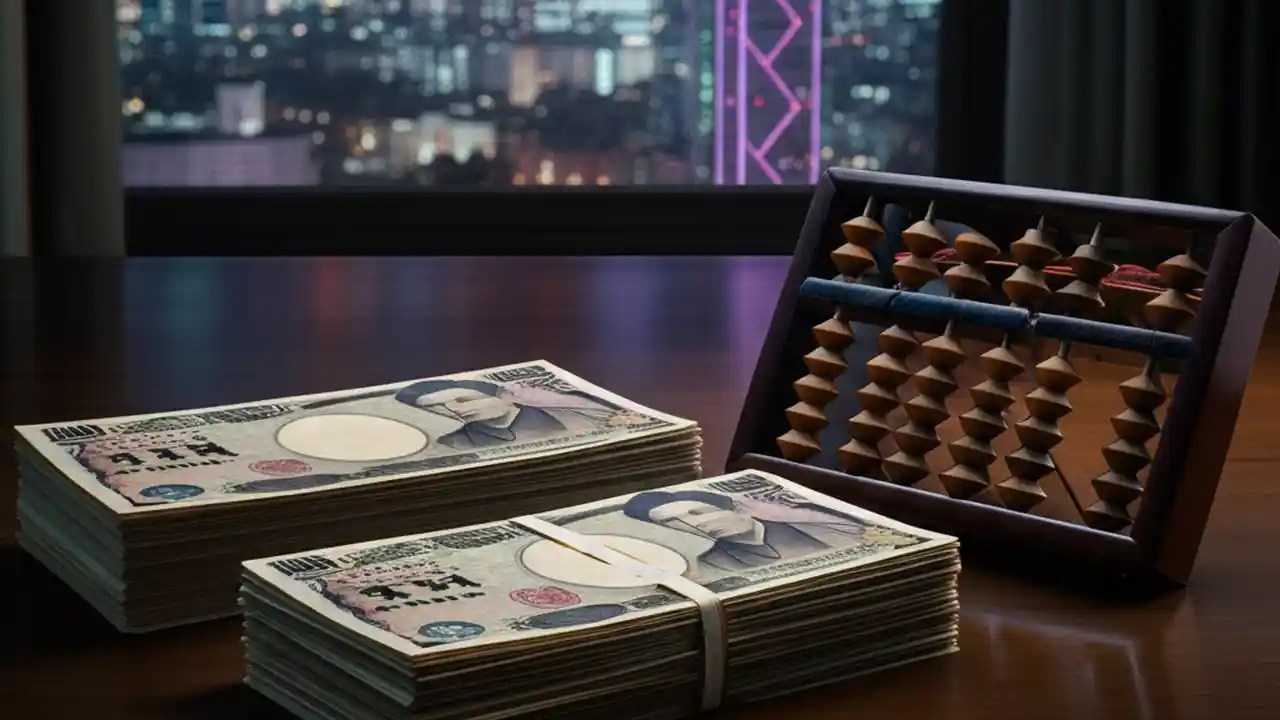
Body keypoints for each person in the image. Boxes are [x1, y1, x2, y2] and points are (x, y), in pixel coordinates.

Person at [621, 489, 871, 573]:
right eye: (672, 522)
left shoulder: (819, 525)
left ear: (737, 510)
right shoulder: (714, 562)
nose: (696, 524)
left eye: (697, 513)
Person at [394, 379, 617, 450]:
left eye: (463, 400)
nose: (456, 410)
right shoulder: (455, 442)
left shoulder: (573, 412)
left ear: (503, 395)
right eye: (438, 408)